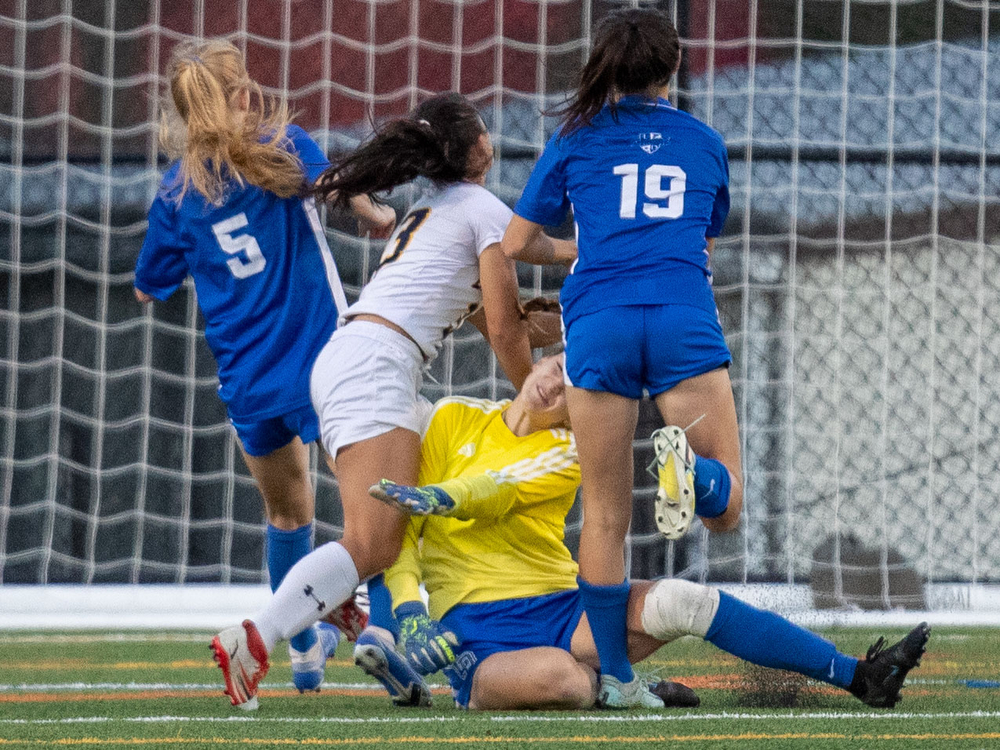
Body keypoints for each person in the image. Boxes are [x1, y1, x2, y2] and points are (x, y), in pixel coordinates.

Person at [209, 92, 565, 708]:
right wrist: (528, 401)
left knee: (402, 514)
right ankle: (255, 640)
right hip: (374, 370)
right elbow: (507, 317)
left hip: (353, 359)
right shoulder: (480, 207)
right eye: (483, 126)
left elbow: (491, 290)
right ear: (472, 146)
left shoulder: (432, 208)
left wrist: (552, 290)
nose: (492, 134)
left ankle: (374, 625)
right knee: (373, 540)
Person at [370, 357, 930, 711]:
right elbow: (402, 534)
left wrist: (445, 496)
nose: (553, 385)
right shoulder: (450, 417)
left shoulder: (568, 450)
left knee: (685, 601)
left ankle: (859, 675)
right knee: (561, 683)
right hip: (475, 625)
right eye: (554, 366)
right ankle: (632, 685)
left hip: (563, 610)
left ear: (580, 410)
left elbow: (500, 487)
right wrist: (410, 612)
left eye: (571, 388)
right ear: (536, 363)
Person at [134, 40, 395, 693]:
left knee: (287, 516)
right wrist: (377, 214)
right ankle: (386, 631)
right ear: (244, 95)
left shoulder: (174, 194)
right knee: (378, 507)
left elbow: (149, 284)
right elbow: (343, 191)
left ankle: (305, 654)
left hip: (248, 379)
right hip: (321, 360)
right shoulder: (284, 144)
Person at [500, 7, 743, 706]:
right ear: (671, 69)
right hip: (680, 318)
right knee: (725, 508)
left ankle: (617, 681)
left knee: (606, 516)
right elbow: (703, 242)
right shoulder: (703, 141)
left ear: (603, 67)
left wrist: (580, 250)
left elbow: (516, 244)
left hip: (599, 323)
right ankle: (692, 472)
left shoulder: (574, 137)